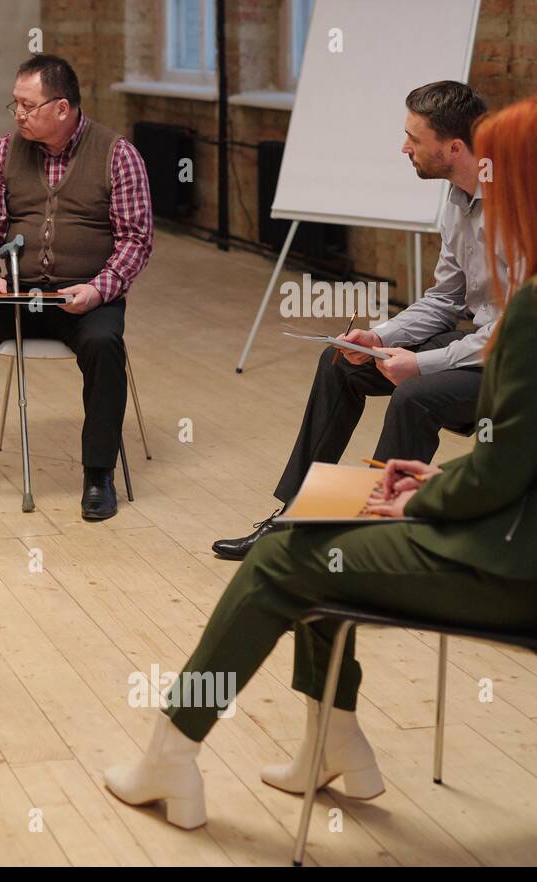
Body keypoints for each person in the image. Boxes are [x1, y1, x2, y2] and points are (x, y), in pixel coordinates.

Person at [104, 96, 537, 830]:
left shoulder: (529, 311)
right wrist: (438, 472)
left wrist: (420, 500)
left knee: (283, 559)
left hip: (510, 564)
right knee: (319, 526)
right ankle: (332, 744)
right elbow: (514, 453)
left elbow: (502, 465)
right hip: (510, 529)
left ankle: (171, 755)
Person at [213, 81, 502, 560]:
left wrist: (423, 364)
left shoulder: (517, 210)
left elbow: (511, 331)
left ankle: (373, 540)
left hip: (516, 361)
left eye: (414, 137)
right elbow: (444, 299)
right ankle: (292, 516)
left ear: (453, 147)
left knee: (414, 395)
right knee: (340, 362)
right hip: (480, 344)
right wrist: (379, 337)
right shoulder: (456, 198)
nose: (403, 147)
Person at [0, 54, 153, 521]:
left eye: (27, 105)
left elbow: (136, 240)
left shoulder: (117, 154)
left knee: (105, 343)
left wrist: (101, 289)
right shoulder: (4, 151)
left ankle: (98, 472)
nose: (18, 113)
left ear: (61, 108)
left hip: (83, 297)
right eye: (15, 105)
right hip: (16, 293)